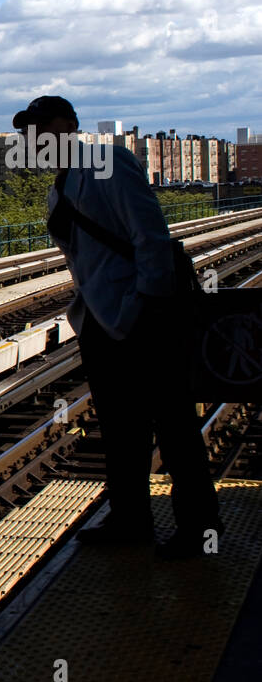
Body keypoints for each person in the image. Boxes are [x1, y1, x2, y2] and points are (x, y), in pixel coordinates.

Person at [16, 95, 222, 559]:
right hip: (101, 322)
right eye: (27, 133)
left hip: (142, 317)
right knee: (120, 427)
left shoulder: (106, 162)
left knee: (172, 425)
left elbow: (149, 235)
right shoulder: (62, 182)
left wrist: (145, 303)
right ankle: (131, 519)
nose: (32, 140)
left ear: (68, 125)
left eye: (40, 128)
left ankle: (198, 528)